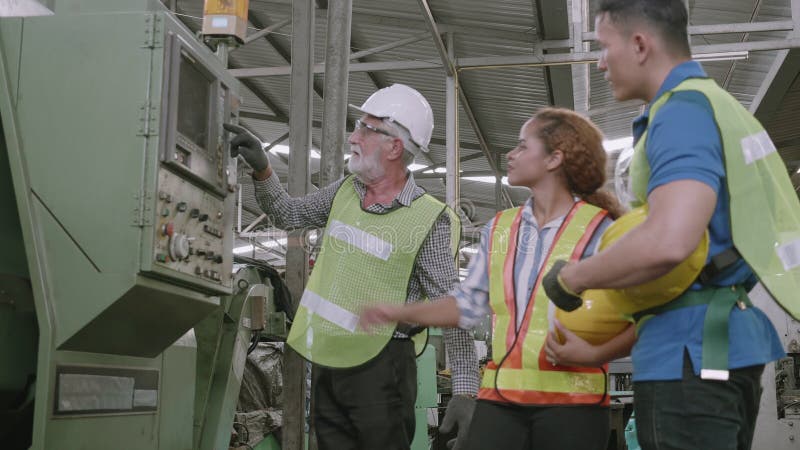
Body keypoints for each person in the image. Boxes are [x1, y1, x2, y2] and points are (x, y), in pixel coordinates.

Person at [542, 1, 786, 449]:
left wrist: (572, 276)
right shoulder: (717, 106)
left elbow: (669, 243)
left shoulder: (681, 112)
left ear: (639, 45)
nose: (598, 63)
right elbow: (685, 281)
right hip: (715, 343)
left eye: (603, 47)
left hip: (690, 360)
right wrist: (599, 353)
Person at [361, 107, 636, 450]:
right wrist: (398, 312)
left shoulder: (602, 230)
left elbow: (641, 316)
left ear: (554, 159)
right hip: (500, 400)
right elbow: (465, 305)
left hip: (573, 405)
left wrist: (597, 354)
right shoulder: (500, 228)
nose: (510, 153)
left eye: (522, 146)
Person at [223, 83, 479, 450]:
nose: (353, 136)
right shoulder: (346, 190)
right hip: (330, 360)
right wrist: (262, 168)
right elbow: (289, 212)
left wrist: (465, 390)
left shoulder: (429, 219)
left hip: (383, 369)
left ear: (394, 146)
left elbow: (451, 306)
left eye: (366, 129)